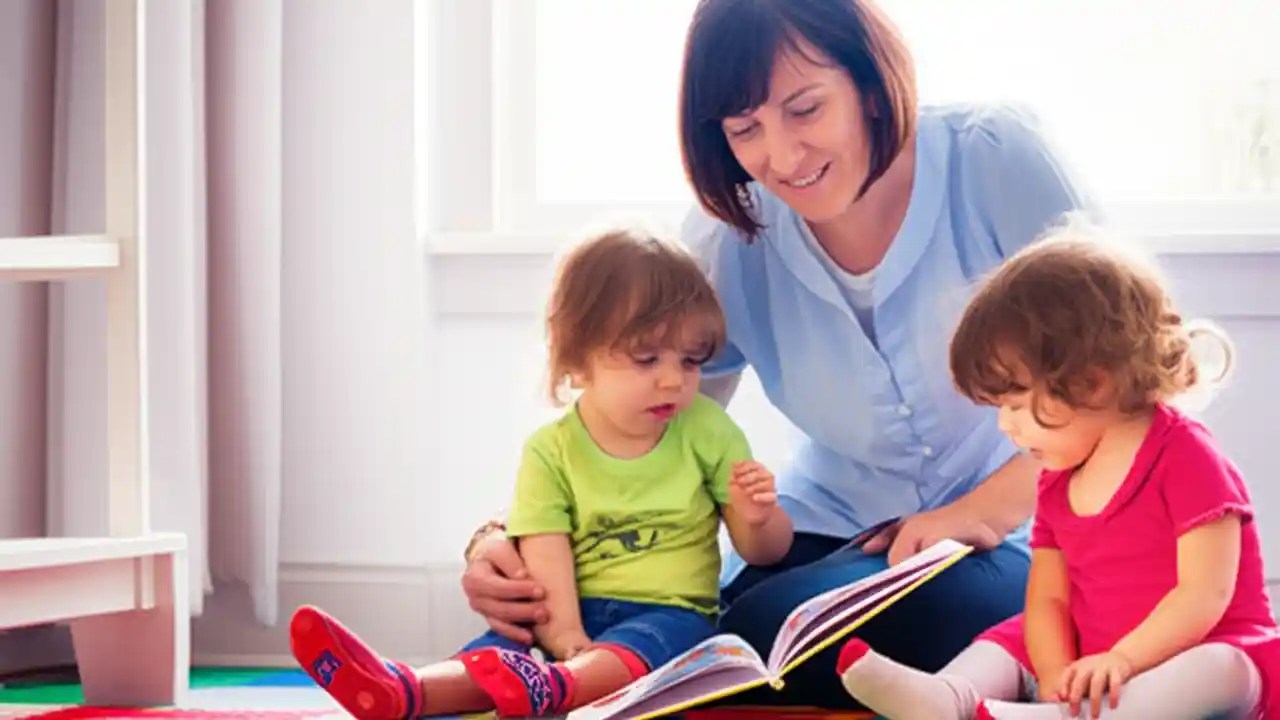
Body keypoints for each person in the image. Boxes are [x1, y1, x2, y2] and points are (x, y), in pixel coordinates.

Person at [460, 0, 1093, 708]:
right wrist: (506, 537)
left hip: (1020, 533)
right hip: (826, 539)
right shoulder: (729, 235)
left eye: (806, 108)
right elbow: (633, 428)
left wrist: (971, 512)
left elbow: (1122, 388)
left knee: (970, 610)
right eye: (745, 129)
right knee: (734, 627)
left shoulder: (993, 159)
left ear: (869, 82)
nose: (783, 157)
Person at [289, 228, 794, 719]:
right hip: (565, 606)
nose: (673, 379)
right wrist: (566, 635)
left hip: (672, 613)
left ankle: (557, 686)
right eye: (646, 359)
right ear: (578, 360)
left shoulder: (708, 430)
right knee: (497, 651)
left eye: (689, 361)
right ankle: (405, 689)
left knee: (650, 650)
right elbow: (544, 548)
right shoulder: (550, 451)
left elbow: (764, 553)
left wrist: (758, 517)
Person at [837, 225, 1279, 719]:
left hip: (1187, 650)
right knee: (1013, 636)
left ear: (1092, 383)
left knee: (1221, 669)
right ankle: (950, 696)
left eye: (1016, 403)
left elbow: (1204, 596)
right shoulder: (1056, 478)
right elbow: (1048, 597)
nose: (1005, 425)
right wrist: (1053, 674)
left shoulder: (1186, 455)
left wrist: (1124, 659)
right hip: (1094, 652)